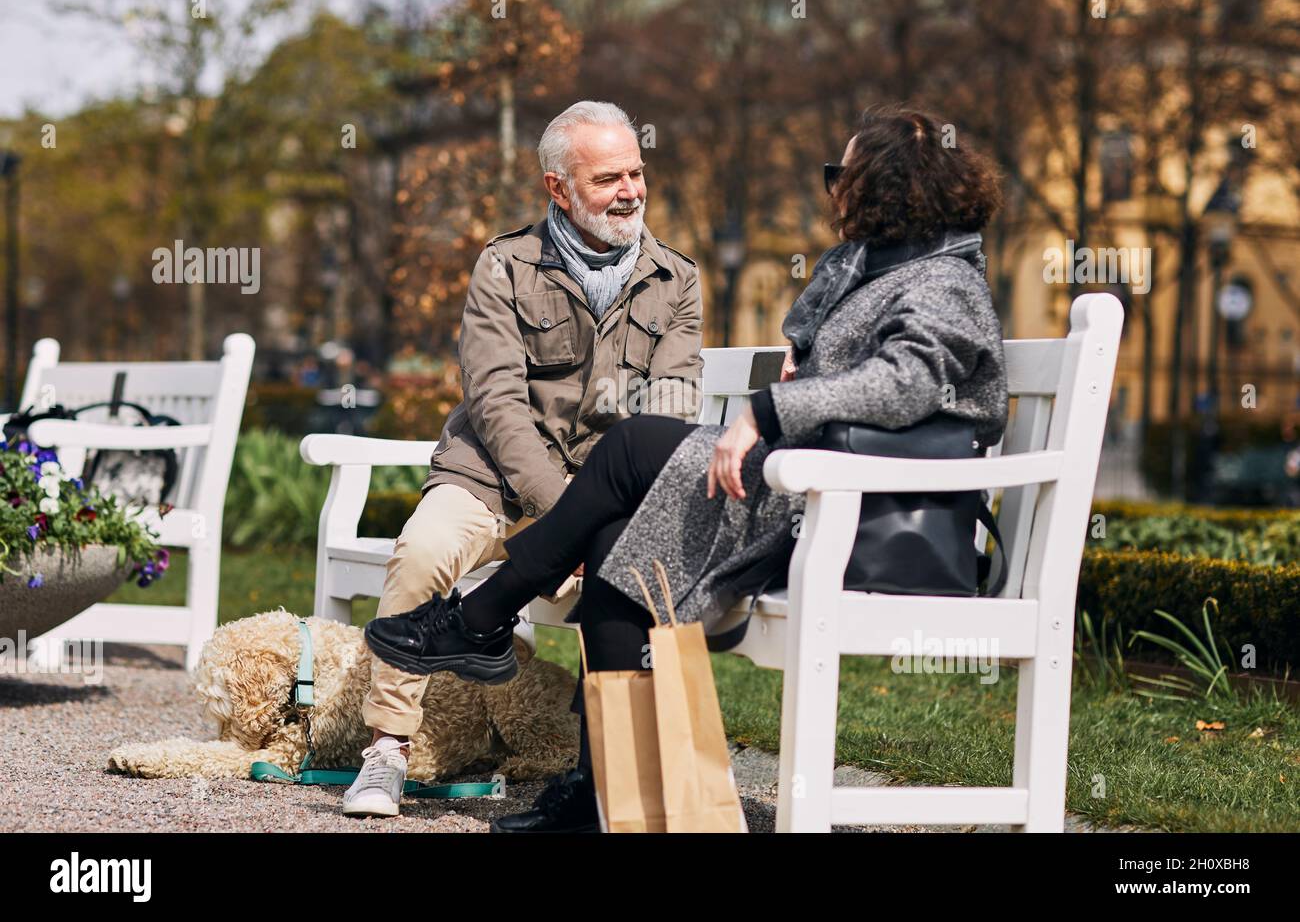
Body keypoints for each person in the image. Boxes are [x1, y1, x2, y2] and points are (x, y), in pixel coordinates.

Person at [366, 104, 1011, 832]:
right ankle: (602, 794)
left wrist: (770, 411)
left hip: (860, 522)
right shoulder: (873, 272)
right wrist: (806, 377)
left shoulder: (943, 283)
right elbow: (496, 399)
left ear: (885, 188)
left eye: (843, 173)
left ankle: (482, 613)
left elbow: (906, 385)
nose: (834, 189)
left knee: (637, 444)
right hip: (808, 499)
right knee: (616, 547)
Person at [342, 100, 703, 817]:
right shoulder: (504, 266)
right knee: (422, 550)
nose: (630, 190)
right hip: (492, 479)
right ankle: (386, 751)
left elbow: (672, 407)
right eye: (607, 178)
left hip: (609, 494)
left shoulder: (676, 279)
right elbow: (496, 402)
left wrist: (589, 510)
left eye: (636, 172)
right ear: (558, 189)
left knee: (631, 570)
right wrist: (562, 510)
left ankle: (603, 776)